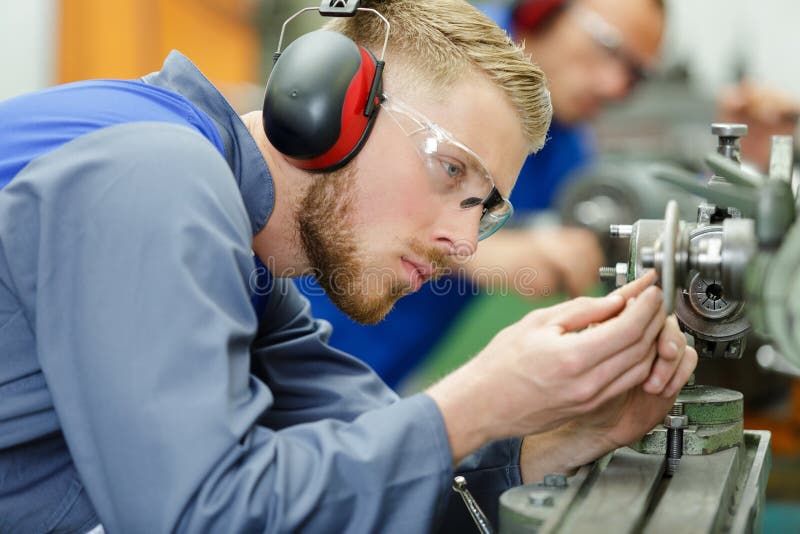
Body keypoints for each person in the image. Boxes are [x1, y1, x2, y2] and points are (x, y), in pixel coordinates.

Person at [0, 0, 696, 532]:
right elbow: (202, 515)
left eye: (483, 208)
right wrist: (479, 398)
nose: (465, 242)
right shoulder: (159, 177)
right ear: (329, 103)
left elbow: (366, 456)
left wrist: (567, 434)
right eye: (451, 170)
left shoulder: (253, 274)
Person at [296, 0, 666, 388]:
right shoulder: (440, 43)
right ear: (544, 9)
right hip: (276, 340)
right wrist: (482, 254)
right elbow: (351, 168)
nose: (615, 87)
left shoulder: (567, 145)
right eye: (609, 47)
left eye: (636, 75)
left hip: (366, 386)